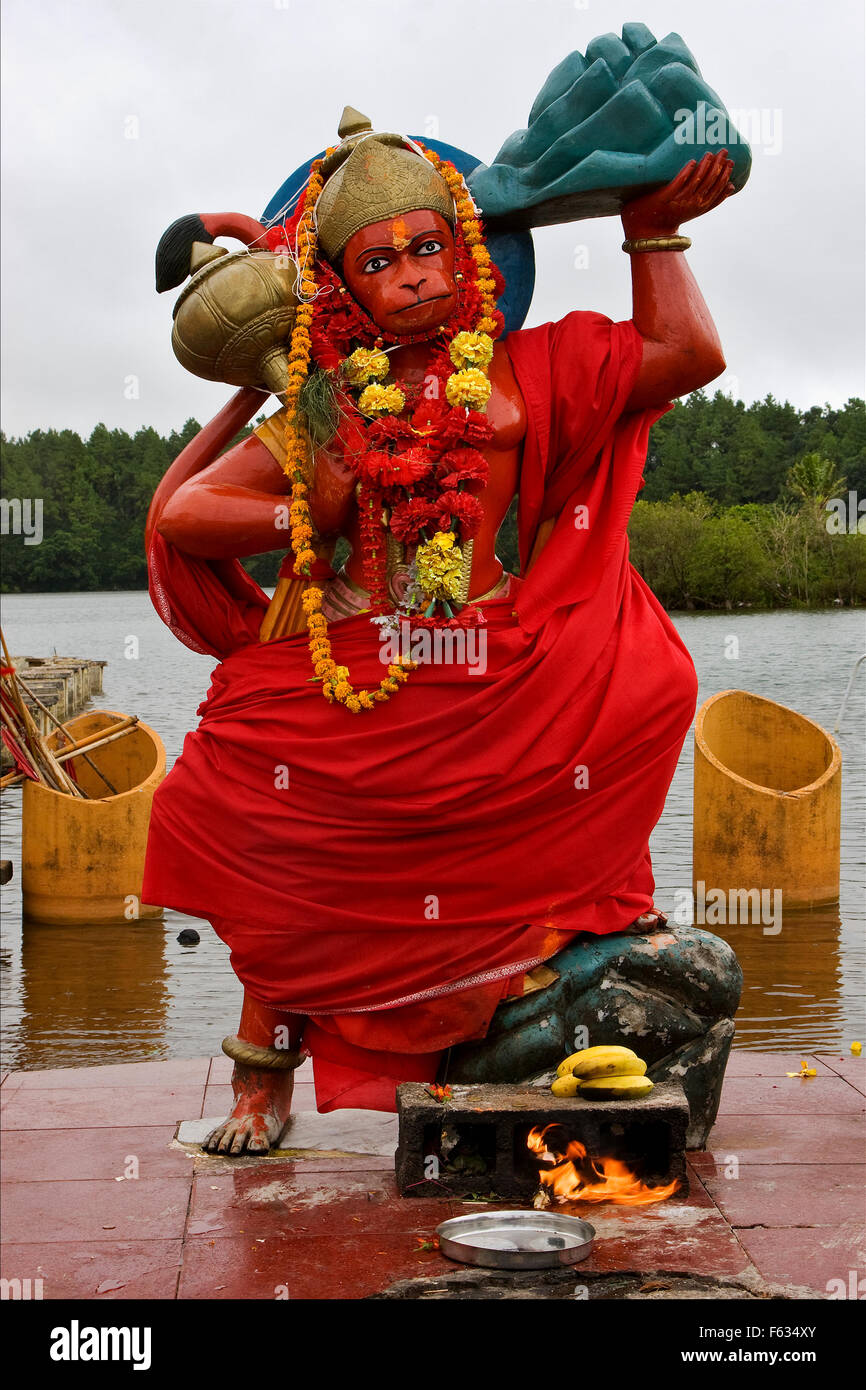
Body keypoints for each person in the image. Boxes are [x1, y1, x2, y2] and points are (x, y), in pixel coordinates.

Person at [143, 109, 737, 1153]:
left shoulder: (523, 366)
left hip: (494, 650)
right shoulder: (331, 402)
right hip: (359, 659)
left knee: (649, 683)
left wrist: (652, 233)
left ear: (464, 253)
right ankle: (261, 1080)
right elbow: (190, 514)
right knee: (252, 815)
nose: (411, 275)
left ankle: (528, 983)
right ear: (342, 287)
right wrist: (306, 512)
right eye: (378, 262)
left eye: (426, 248)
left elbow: (683, 352)